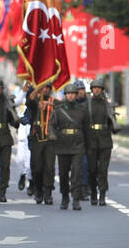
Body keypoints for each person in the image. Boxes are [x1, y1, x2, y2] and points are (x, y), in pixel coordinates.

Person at [49, 82, 90, 211]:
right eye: (68, 94)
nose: (71, 96)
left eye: (73, 94)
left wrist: (88, 148)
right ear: (65, 95)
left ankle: (76, 199)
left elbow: (87, 130)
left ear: (76, 95)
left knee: (77, 174)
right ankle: (65, 197)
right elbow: (52, 125)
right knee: (63, 174)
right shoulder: (58, 110)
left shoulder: (82, 111)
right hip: (62, 144)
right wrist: (52, 134)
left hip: (78, 145)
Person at [85, 78, 120, 206]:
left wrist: (114, 123)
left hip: (105, 141)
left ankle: (103, 194)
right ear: (92, 90)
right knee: (92, 169)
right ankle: (93, 192)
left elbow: (114, 124)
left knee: (103, 170)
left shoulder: (108, 105)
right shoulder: (87, 104)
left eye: (99, 88)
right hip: (91, 140)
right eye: (94, 88)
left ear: (102, 90)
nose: (97, 90)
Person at [27, 83, 56, 205]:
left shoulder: (54, 102)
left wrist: (48, 104)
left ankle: (48, 192)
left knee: (49, 168)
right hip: (37, 138)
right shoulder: (36, 101)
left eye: (48, 88)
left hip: (50, 140)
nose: (46, 90)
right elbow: (30, 99)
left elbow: (64, 106)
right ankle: (38, 190)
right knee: (37, 167)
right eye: (44, 88)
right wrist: (37, 87)